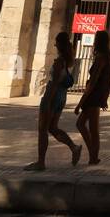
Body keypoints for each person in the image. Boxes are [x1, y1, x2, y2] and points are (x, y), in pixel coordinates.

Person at [26, 31, 81, 170]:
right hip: (62, 97)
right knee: (53, 128)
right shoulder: (68, 61)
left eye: (56, 42)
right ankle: (73, 147)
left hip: (53, 96)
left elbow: (55, 82)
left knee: (43, 129)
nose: (55, 44)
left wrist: (47, 102)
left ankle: (41, 162)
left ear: (59, 44)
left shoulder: (59, 62)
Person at [74, 29, 110, 165]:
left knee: (83, 125)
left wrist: (80, 103)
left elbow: (93, 81)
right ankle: (93, 156)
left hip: (93, 95)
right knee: (92, 128)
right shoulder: (108, 58)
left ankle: (93, 154)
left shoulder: (100, 58)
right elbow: (107, 81)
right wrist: (105, 97)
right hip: (98, 95)